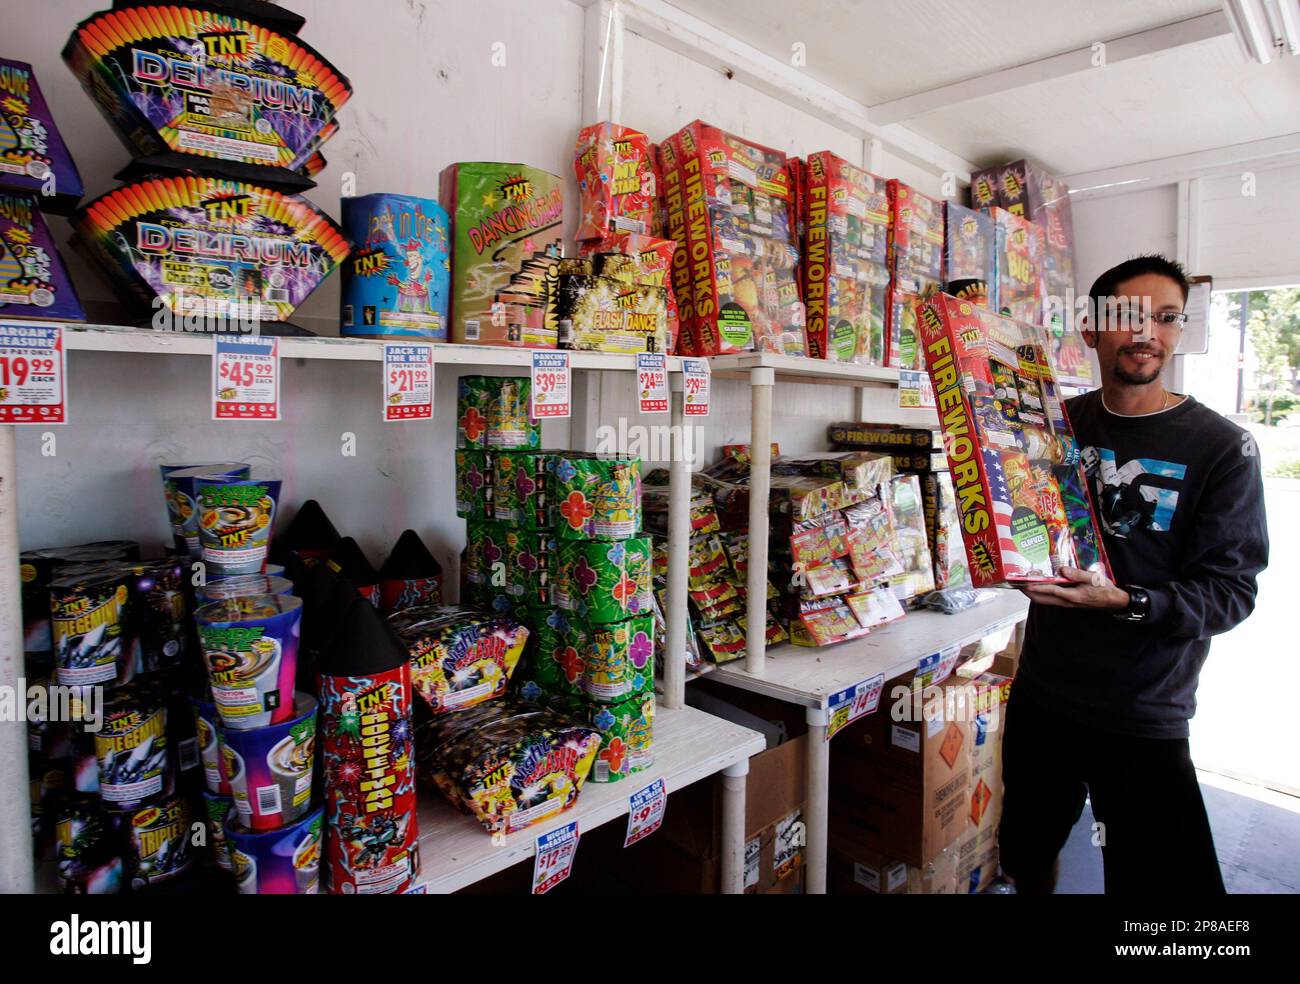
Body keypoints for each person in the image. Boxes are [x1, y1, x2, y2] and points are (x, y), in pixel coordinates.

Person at [998, 254, 1269, 894]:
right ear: (1089, 329)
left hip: (1144, 711)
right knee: (1026, 851)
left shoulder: (1223, 448)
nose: (1149, 333)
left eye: (1167, 318)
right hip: (1044, 694)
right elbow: (1029, 531)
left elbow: (1230, 594)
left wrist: (1123, 601)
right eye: (1129, 316)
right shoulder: (1051, 425)